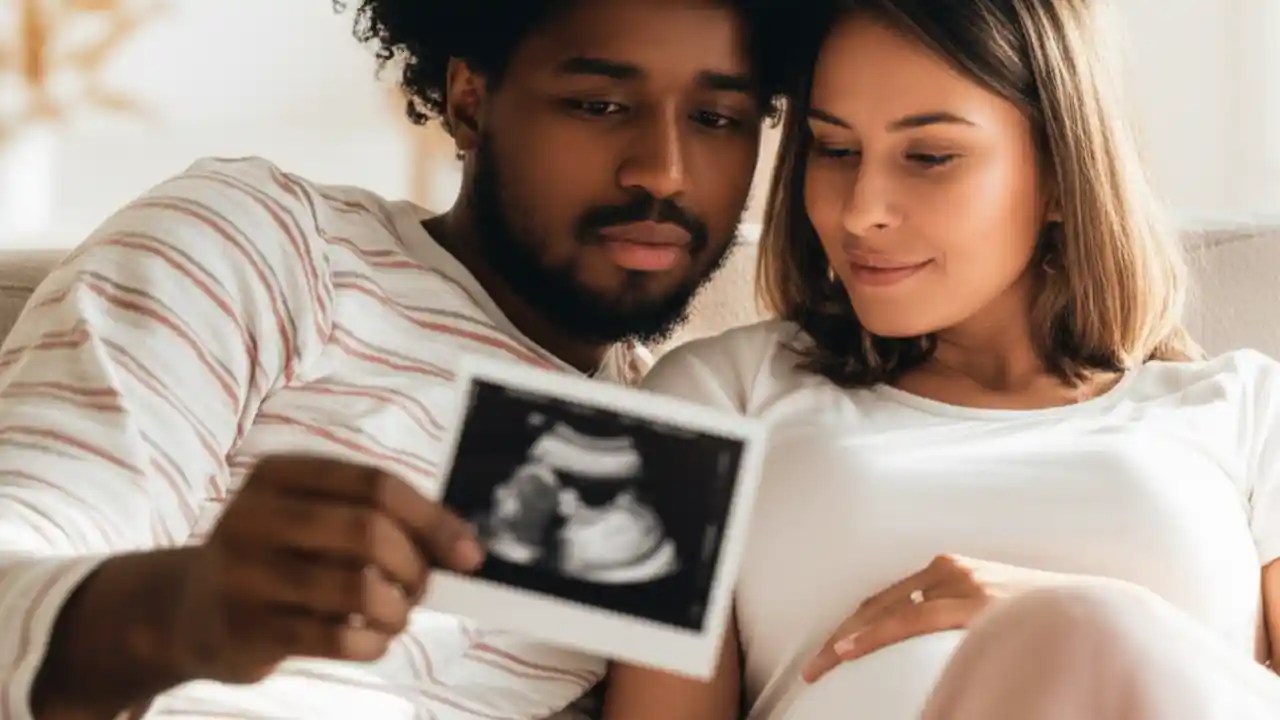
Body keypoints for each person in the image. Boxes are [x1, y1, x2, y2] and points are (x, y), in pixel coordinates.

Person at [0, 1, 782, 718]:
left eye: (717, 117)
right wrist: (180, 613)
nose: (664, 171)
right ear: (471, 99)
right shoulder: (270, 245)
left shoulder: (684, 452)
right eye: (599, 105)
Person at [603, 0, 1280, 718]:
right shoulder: (710, 396)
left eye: (928, 157)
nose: (861, 210)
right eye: (835, 149)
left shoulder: (1248, 411)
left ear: (1060, 171)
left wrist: (1075, 618)